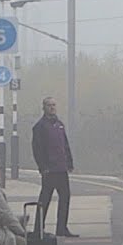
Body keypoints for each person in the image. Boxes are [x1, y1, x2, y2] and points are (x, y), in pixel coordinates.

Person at [32, 96, 79, 237]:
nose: (52, 107)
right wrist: (42, 167)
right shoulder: (39, 127)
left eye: (54, 105)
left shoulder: (60, 124)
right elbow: (37, 149)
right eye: (49, 105)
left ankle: (62, 228)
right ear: (44, 107)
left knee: (65, 198)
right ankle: (38, 228)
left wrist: (69, 163)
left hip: (61, 169)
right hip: (49, 170)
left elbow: (65, 145)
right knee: (45, 199)